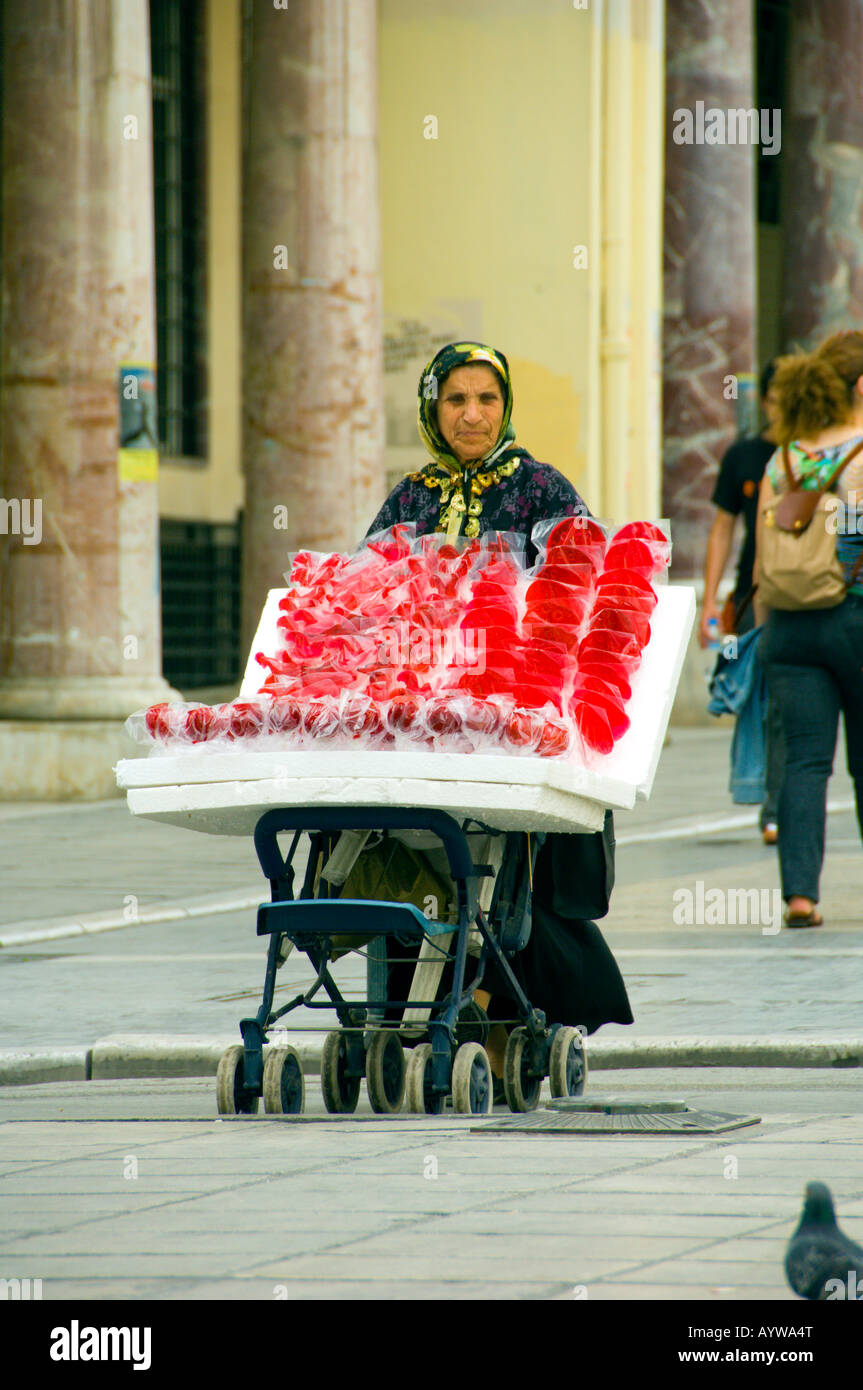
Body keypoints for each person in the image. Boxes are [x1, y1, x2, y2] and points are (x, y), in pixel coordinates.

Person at [365, 341, 633, 1083]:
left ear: (504, 405)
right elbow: (370, 598)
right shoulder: (408, 499)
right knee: (413, 851)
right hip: (420, 726)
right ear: (432, 408)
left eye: (485, 399)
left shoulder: (543, 490)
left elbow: (583, 598)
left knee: (504, 860)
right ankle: (413, 1012)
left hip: (514, 725)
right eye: (455, 400)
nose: (472, 414)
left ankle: (492, 1000)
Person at [754, 330, 863, 928]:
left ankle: (801, 896)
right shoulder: (862, 457)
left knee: (804, 762)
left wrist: (762, 632)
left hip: (790, 629)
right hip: (854, 619)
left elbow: (760, 556)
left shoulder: (783, 458)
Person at [699, 361, 784, 843]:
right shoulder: (745, 456)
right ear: (766, 400)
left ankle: (780, 802)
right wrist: (710, 602)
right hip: (755, 597)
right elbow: (722, 527)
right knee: (757, 695)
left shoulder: (823, 451)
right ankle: (769, 802)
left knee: (794, 703)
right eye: (775, 396)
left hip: (819, 594)